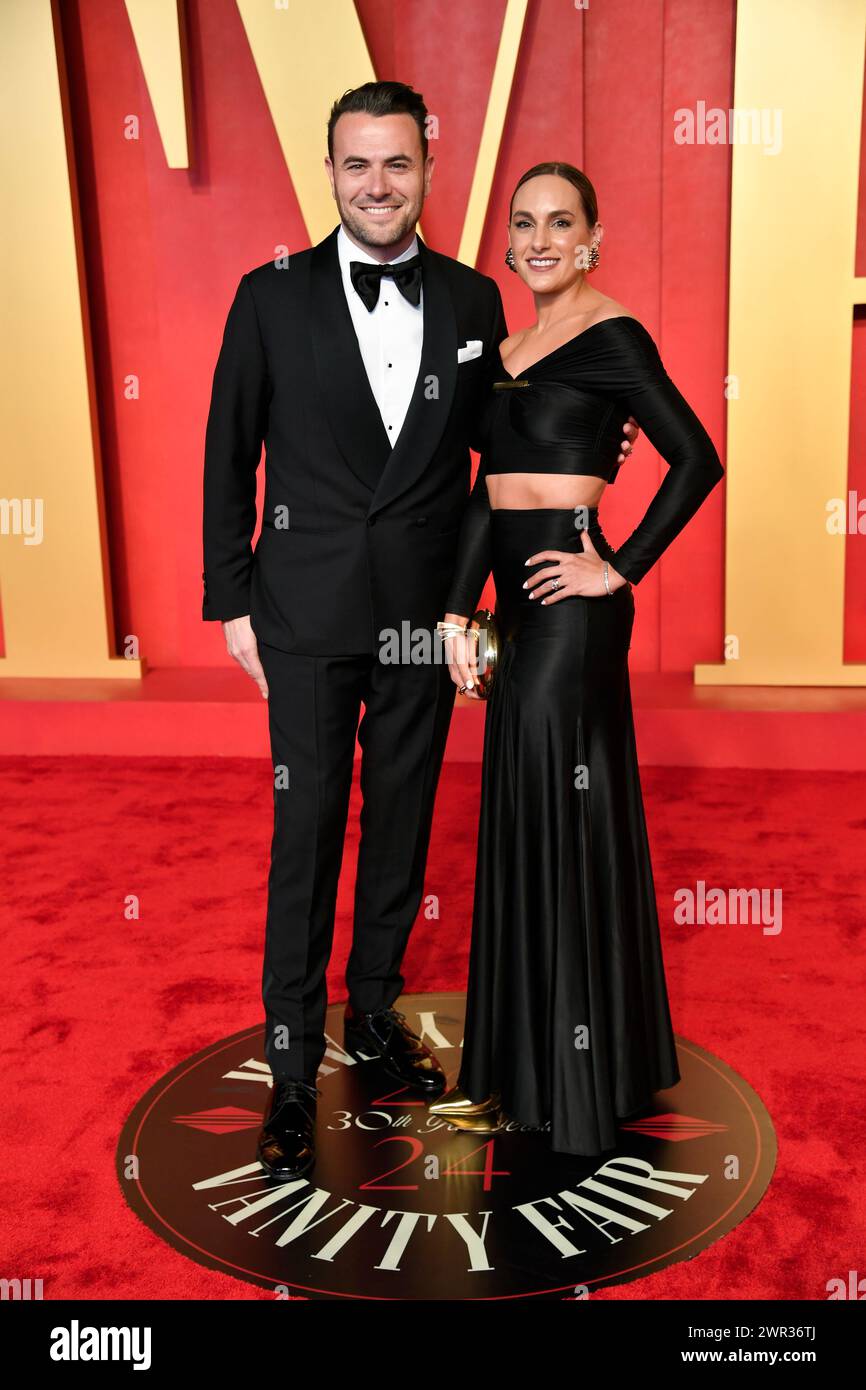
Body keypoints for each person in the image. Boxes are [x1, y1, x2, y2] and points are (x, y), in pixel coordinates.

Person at [202, 84, 644, 1179]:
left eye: (396, 163)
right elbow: (227, 452)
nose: (377, 184)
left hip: (423, 616)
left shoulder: (471, 298)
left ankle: (374, 1012)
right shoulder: (268, 295)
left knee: (400, 820)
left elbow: (505, 439)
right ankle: (292, 1064)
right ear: (329, 171)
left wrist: (593, 434)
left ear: (428, 173)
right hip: (302, 614)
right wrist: (231, 601)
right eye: (357, 163)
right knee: (306, 833)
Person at [434, 162, 724, 1156]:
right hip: (512, 609)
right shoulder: (505, 349)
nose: (540, 240)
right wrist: (454, 612)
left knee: (552, 811)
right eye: (524, 224)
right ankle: (516, 1072)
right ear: (508, 243)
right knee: (523, 813)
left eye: (560, 223)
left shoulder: (614, 336)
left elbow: (697, 457)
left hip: (573, 608)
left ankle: (563, 1084)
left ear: (591, 237)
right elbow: (487, 490)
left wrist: (619, 568)